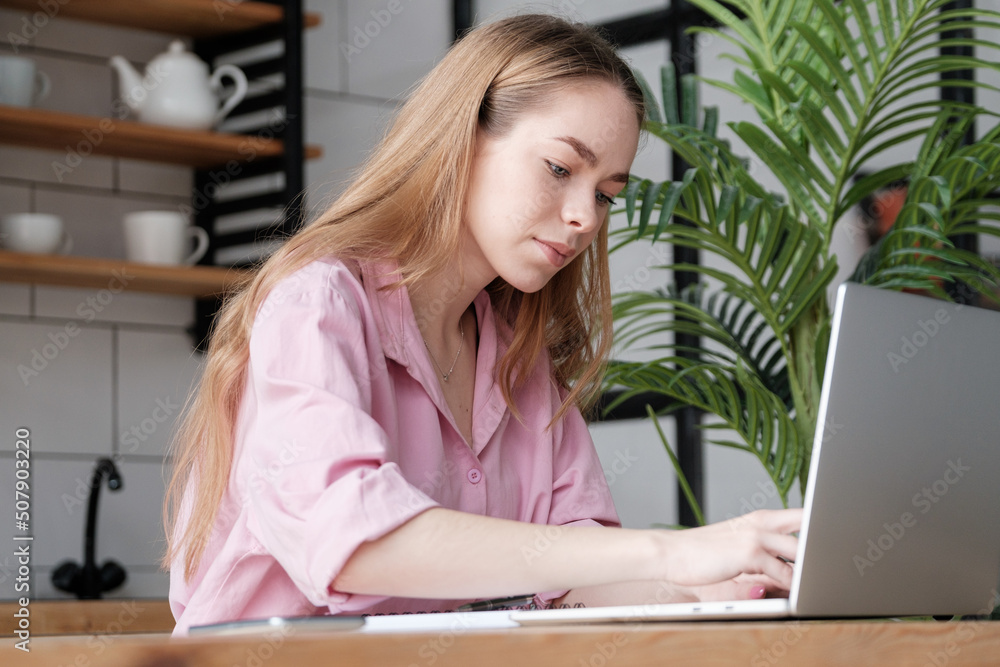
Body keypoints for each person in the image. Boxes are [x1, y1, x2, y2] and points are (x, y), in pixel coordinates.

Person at [164, 13, 802, 635]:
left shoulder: (519, 361)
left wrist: (709, 584)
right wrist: (669, 554)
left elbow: (573, 576)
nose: (586, 217)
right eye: (559, 169)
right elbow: (351, 541)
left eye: (607, 194)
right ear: (461, 138)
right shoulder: (319, 305)